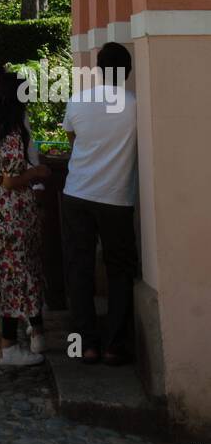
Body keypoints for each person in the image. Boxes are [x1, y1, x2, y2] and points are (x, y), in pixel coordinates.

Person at [61, 42, 138, 366]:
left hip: (77, 193)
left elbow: (72, 140)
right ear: (128, 72)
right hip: (117, 197)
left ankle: (85, 345)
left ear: (98, 69)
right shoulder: (137, 105)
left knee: (79, 269)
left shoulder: (78, 101)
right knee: (120, 270)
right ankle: (114, 346)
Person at [0, 73, 50, 366]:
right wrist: (36, 173)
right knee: (15, 276)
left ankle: (21, 337)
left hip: (6, 213)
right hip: (12, 213)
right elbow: (9, 180)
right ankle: (9, 346)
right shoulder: (11, 132)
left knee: (15, 275)